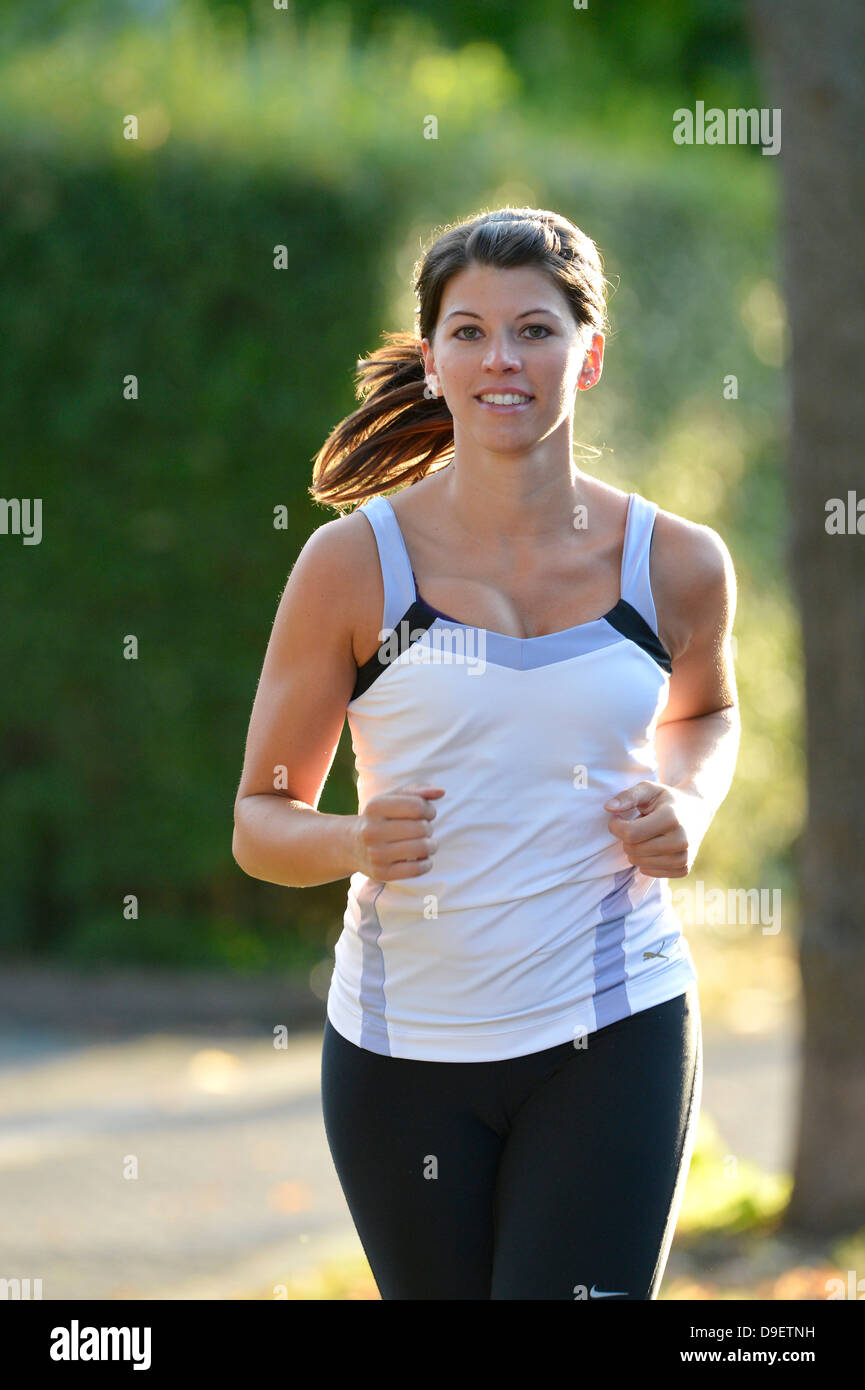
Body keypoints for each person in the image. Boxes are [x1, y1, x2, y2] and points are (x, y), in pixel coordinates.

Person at [232, 207, 740, 1300]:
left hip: (613, 1028)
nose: (500, 359)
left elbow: (706, 715)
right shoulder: (352, 567)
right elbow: (259, 822)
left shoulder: (677, 564)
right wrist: (353, 839)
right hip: (401, 1055)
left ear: (587, 353)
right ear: (432, 358)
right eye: (467, 332)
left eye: (534, 330)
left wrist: (687, 804)